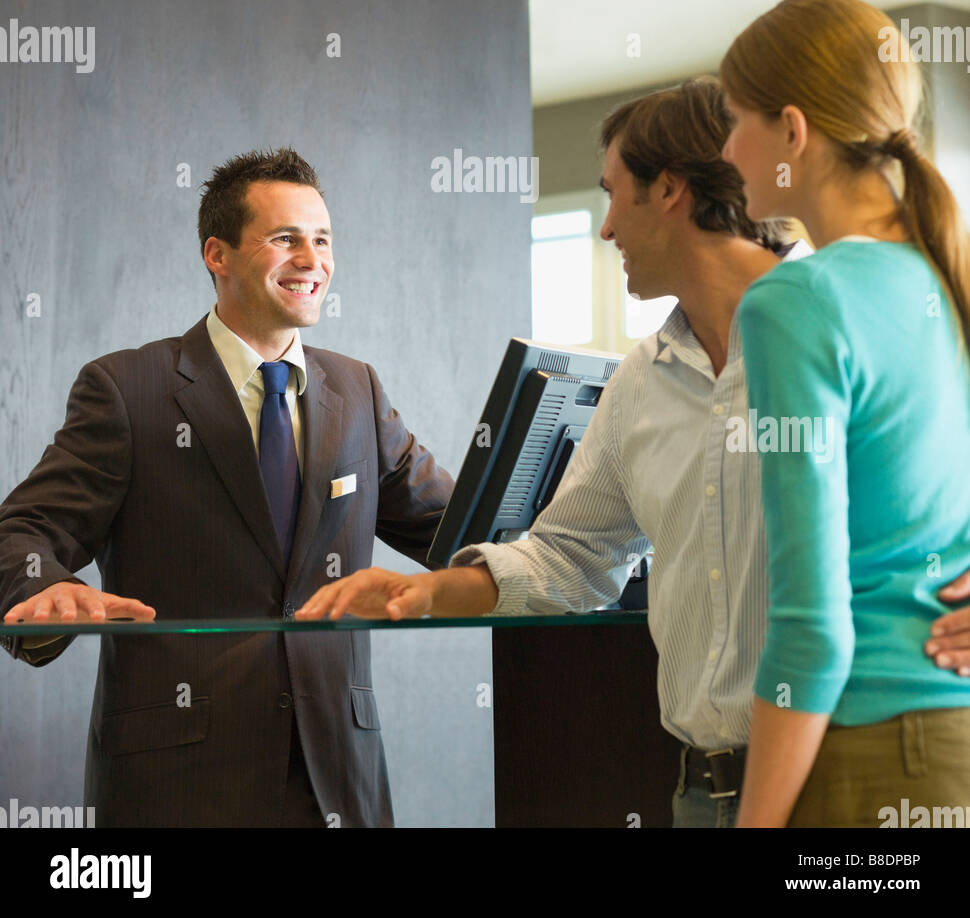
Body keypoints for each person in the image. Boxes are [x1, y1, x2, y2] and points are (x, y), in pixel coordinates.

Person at [297, 75, 970, 828]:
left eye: (614, 194)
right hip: (698, 789)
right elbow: (569, 556)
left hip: (844, 771)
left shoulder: (846, 320)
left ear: (671, 191)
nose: (606, 226)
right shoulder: (641, 383)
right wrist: (426, 592)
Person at [0, 147, 453, 828]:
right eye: (285, 239)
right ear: (218, 254)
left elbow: (458, 526)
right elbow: (21, 534)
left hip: (336, 779)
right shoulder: (128, 390)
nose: (313, 259)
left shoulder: (358, 390)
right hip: (180, 785)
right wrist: (43, 587)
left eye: (322, 239)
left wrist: (575, 538)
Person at [718, 0, 970, 828]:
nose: (727, 150)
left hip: (871, 755)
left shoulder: (797, 302)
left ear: (793, 131)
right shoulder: (947, 275)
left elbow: (813, 629)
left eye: (735, 120)